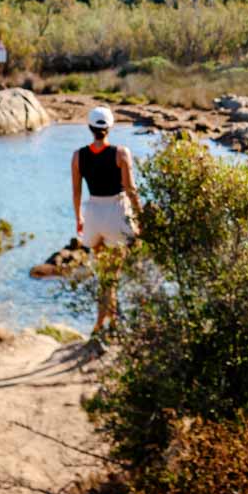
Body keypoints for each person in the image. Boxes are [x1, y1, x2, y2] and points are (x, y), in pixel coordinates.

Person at [71, 105, 142, 334]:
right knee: (112, 276)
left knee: (104, 276)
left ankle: (103, 322)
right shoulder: (121, 153)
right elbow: (131, 190)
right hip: (116, 214)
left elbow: (76, 192)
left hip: (93, 215)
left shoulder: (78, 156)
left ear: (90, 128)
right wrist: (141, 217)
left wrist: (79, 218)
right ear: (110, 127)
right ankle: (109, 324)